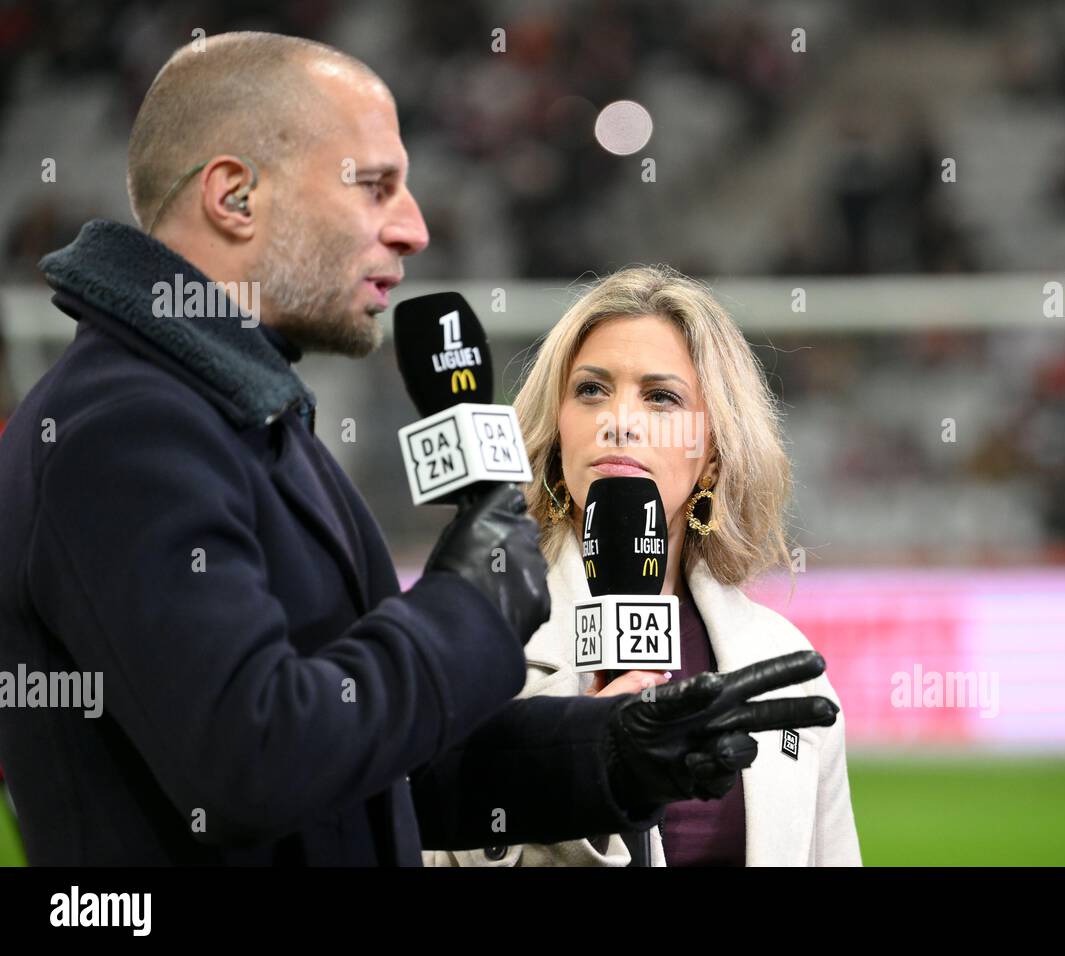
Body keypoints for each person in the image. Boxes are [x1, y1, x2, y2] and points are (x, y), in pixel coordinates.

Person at [0, 33, 837, 865]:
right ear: (235, 196)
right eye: (375, 188)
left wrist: (611, 754)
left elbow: (377, 772)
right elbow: (250, 761)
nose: (413, 227)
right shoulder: (128, 429)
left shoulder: (237, 420)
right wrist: (467, 606)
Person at [430, 265, 861, 867]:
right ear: (558, 434)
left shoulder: (786, 666)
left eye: (660, 397)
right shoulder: (464, 639)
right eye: (591, 390)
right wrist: (589, 756)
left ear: (713, 451)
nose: (619, 420)